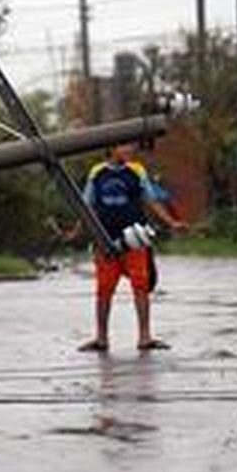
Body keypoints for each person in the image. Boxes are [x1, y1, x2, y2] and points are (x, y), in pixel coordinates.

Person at [75, 143, 187, 353]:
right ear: (111, 149)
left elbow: (152, 200)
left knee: (141, 285)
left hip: (135, 238)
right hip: (105, 240)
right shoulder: (97, 173)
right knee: (104, 289)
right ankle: (101, 338)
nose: (129, 151)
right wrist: (76, 231)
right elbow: (86, 205)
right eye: (124, 147)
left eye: (130, 147)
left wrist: (171, 222)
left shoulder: (137, 170)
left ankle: (145, 337)